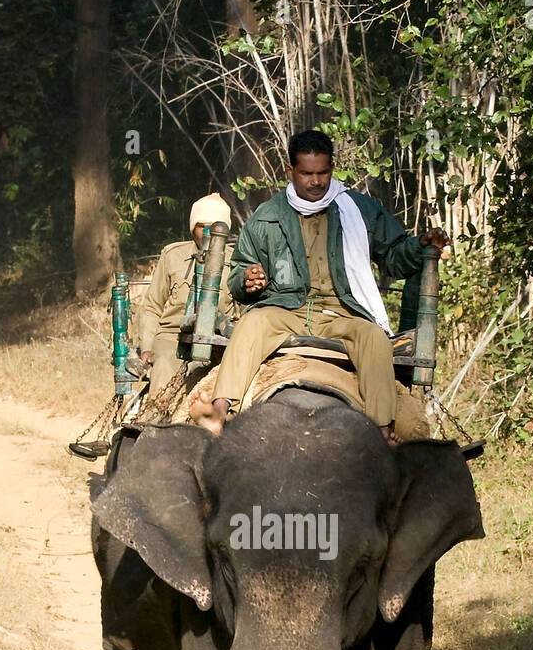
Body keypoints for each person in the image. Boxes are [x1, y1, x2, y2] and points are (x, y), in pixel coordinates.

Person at [190, 130, 448, 440]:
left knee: (374, 338)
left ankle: (381, 434)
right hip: (287, 310)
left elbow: (394, 256)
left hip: (343, 312)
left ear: (332, 169)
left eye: (323, 172)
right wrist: (247, 280)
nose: (316, 181)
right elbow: (239, 273)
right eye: (307, 173)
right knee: (252, 323)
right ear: (290, 172)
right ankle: (219, 414)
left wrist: (420, 245)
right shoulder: (267, 216)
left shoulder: (356, 209)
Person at [139, 193, 236, 396]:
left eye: (215, 227)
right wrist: (147, 346)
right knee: (164, 369)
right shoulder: (173, 255)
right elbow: (152, 306)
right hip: (173, 337)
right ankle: (156, 422)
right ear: (193, 228)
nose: (208, 233)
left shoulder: (237, 261)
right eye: (202, 226)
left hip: (220, 340)